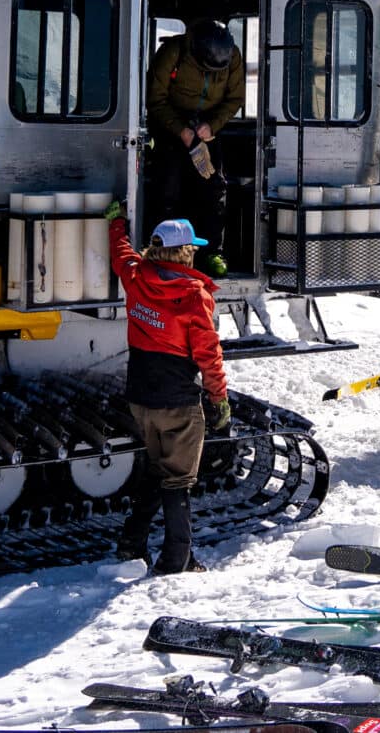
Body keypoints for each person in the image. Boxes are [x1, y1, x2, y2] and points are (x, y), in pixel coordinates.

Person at [108, 204, 230, 574]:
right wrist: (219, 398)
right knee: (178, 479)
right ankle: (178, 557)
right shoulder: (194, 295)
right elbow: (208, 354)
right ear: (184, 252)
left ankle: (132, 544)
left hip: (141, 397)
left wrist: (116, 224)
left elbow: (121, 254)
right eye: (191, 248)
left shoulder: (135, 276)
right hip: (178, 401)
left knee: (157, 469)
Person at [146, 20, 245, 275]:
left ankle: (213, 251)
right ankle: (162, 252)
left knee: (214, 188)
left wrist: (211, 125)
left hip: (208, 128)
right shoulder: (173, 52)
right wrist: (181, 130)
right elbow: (154, 99)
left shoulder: (232, 57)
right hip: (170, 126)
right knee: (168, 187)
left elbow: (235, 98)